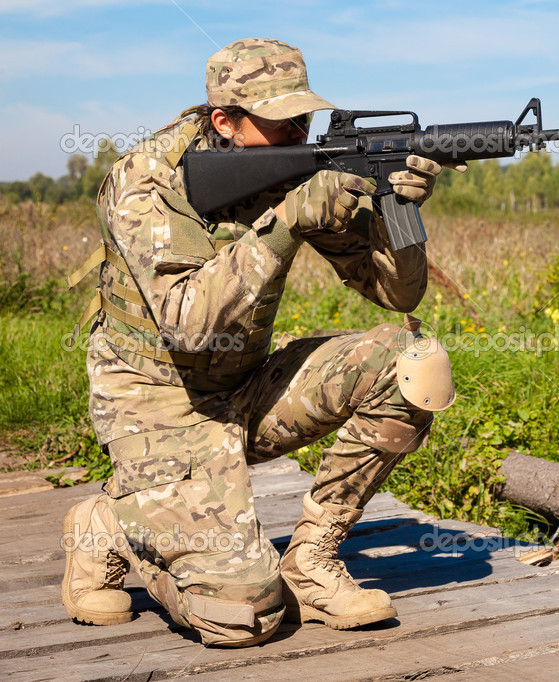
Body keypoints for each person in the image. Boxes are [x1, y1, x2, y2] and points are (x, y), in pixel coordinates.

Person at [60, 38, 459, 647]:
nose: (299, 132)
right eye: (280, 122)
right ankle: (110, 526)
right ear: (224, 121)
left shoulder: (300, 165)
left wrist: (397, 211)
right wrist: (290, 218)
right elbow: (188, 325)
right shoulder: (147, 184)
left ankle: (312, 560)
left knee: (411, 363)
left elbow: (396, 296)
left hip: (241, 387)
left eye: (304, 117)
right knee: (245, 616)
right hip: (157, 403)